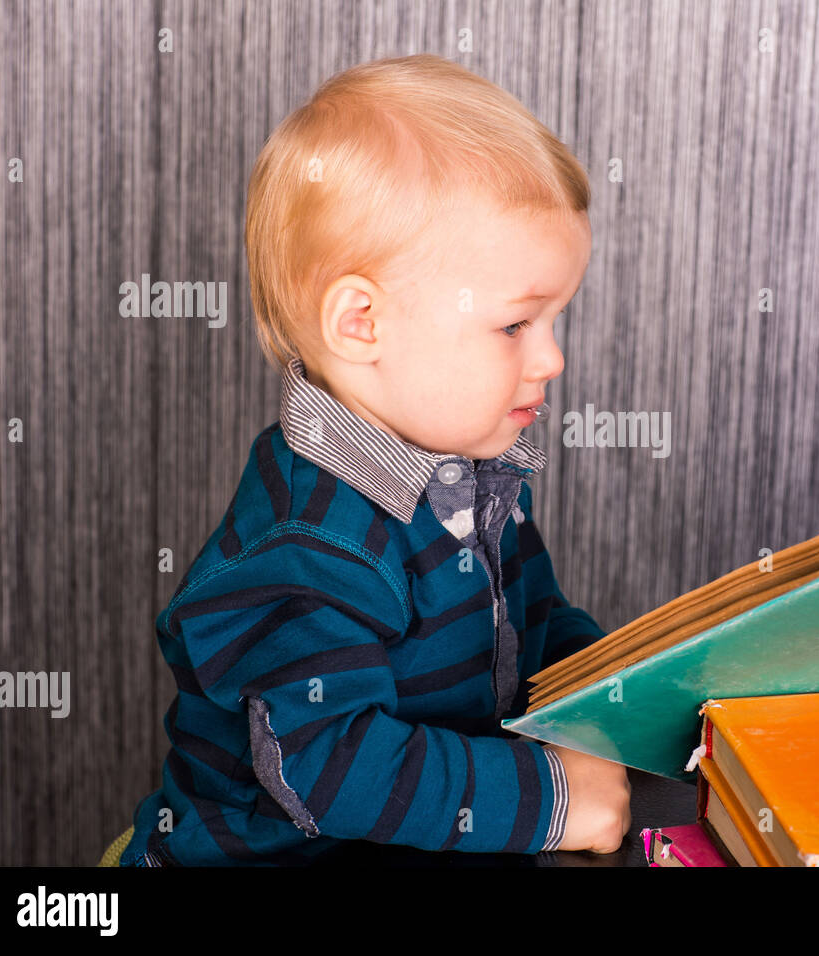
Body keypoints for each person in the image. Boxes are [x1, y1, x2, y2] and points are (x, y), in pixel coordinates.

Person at [119, 54, 630, 865]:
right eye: (515, 326)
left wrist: (621, 693)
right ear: (363, 324)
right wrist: (552, 800)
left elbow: (531, 627)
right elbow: (332, 768)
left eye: (554, 321)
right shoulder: (309, 548)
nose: (553, 360)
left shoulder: (464, 479)